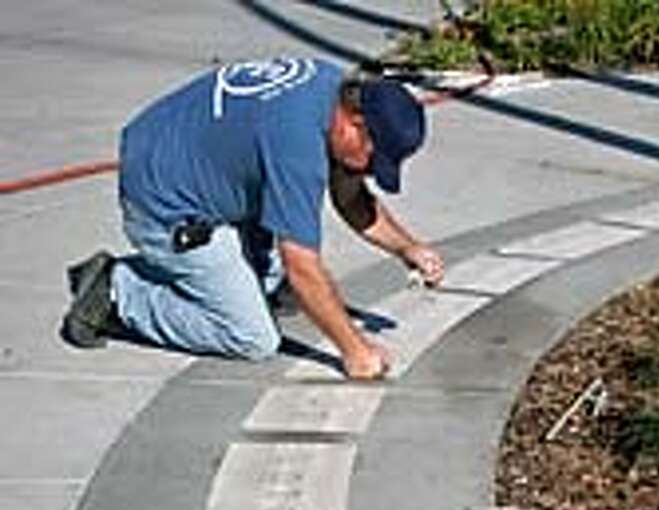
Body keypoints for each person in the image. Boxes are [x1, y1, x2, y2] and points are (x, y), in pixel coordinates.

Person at [62, 57, 445, 381]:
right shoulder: (297, 146)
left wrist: (407, 247)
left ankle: (241, 274)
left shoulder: (333, 90)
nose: (369, 172)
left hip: (179, 156)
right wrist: (355, 351)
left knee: (275, 281)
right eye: (372, 161)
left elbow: (351, 198)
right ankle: (115, 291)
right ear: (354, 124)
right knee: (251, 336)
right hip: (165, 204)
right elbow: (303, 267)